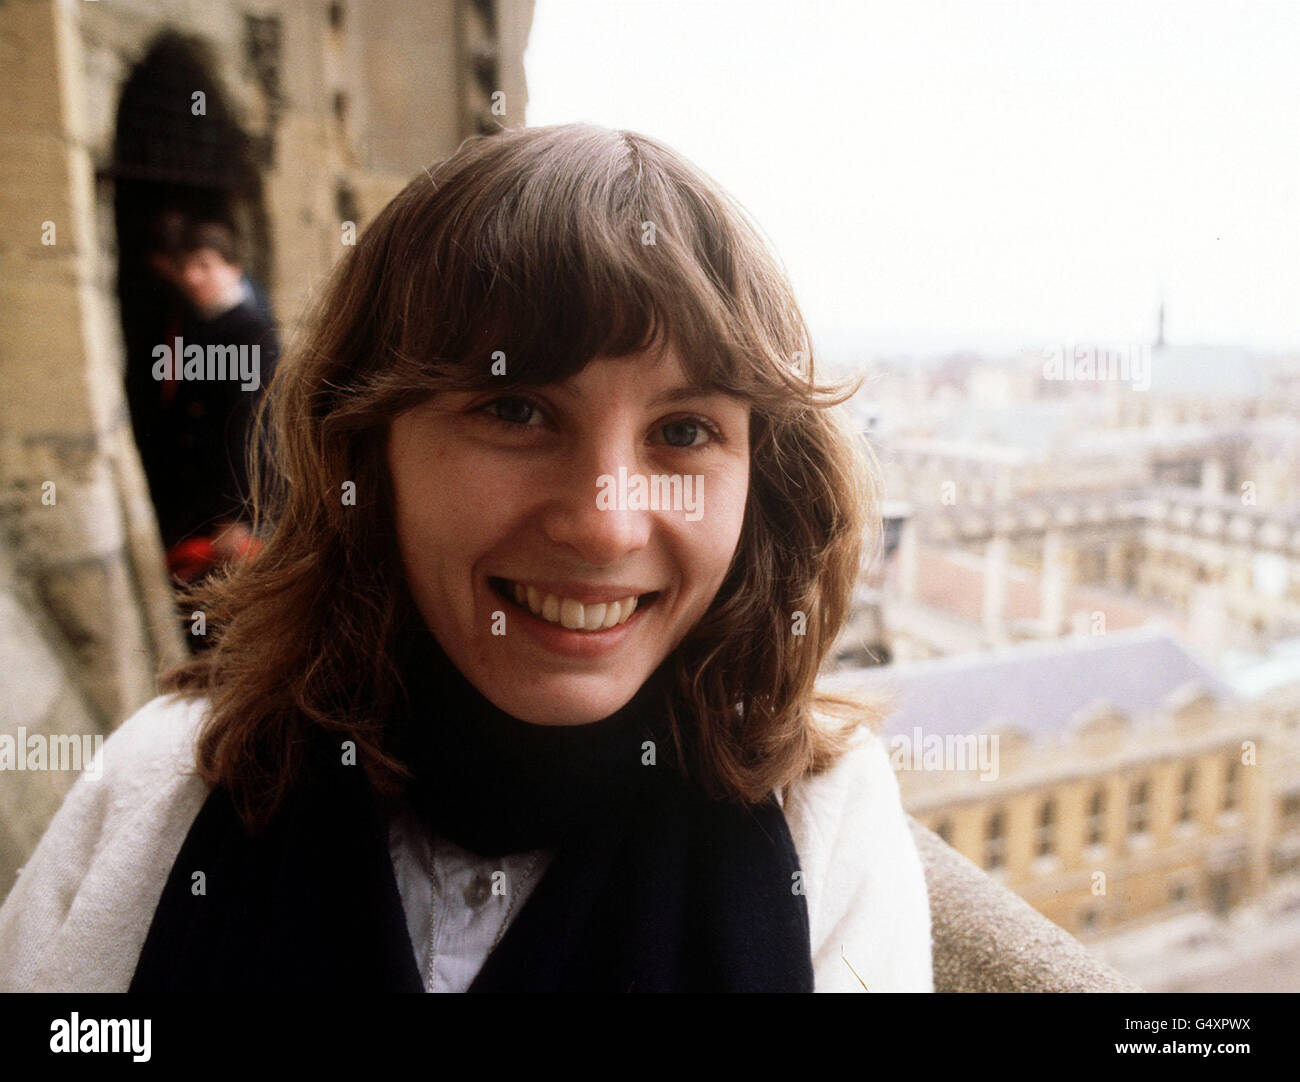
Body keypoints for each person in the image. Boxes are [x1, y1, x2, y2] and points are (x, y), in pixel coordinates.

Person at [0, 124, 932, 992]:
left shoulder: (824, 822)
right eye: (517, 411)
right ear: (366, 450)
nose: (606, 527)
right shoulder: (164, 777)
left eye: (684, 431)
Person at [134, 219, 279, 582]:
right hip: (194, 497)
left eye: (204, 265)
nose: (192, 277)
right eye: (186, 267)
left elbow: (253, 426)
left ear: (233, 269)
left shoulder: (252, 332)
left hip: (230, 507)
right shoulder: (195, 324)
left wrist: (238, 515)